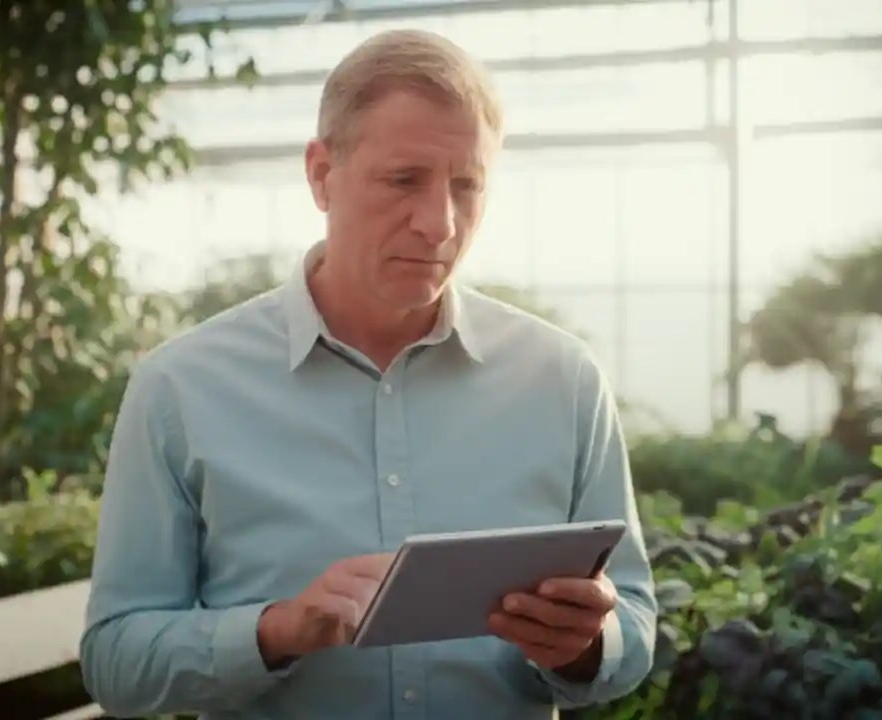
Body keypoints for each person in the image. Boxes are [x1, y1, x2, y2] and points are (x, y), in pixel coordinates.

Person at [79, 28, 657, 720]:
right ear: (321, 174)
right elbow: (114, 661)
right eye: (404, 180)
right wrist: (275, 632)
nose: (440, 223)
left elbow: (634, 626)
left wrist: (585, 646)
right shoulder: (180, 389)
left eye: (468, 185)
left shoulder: (564, 382)